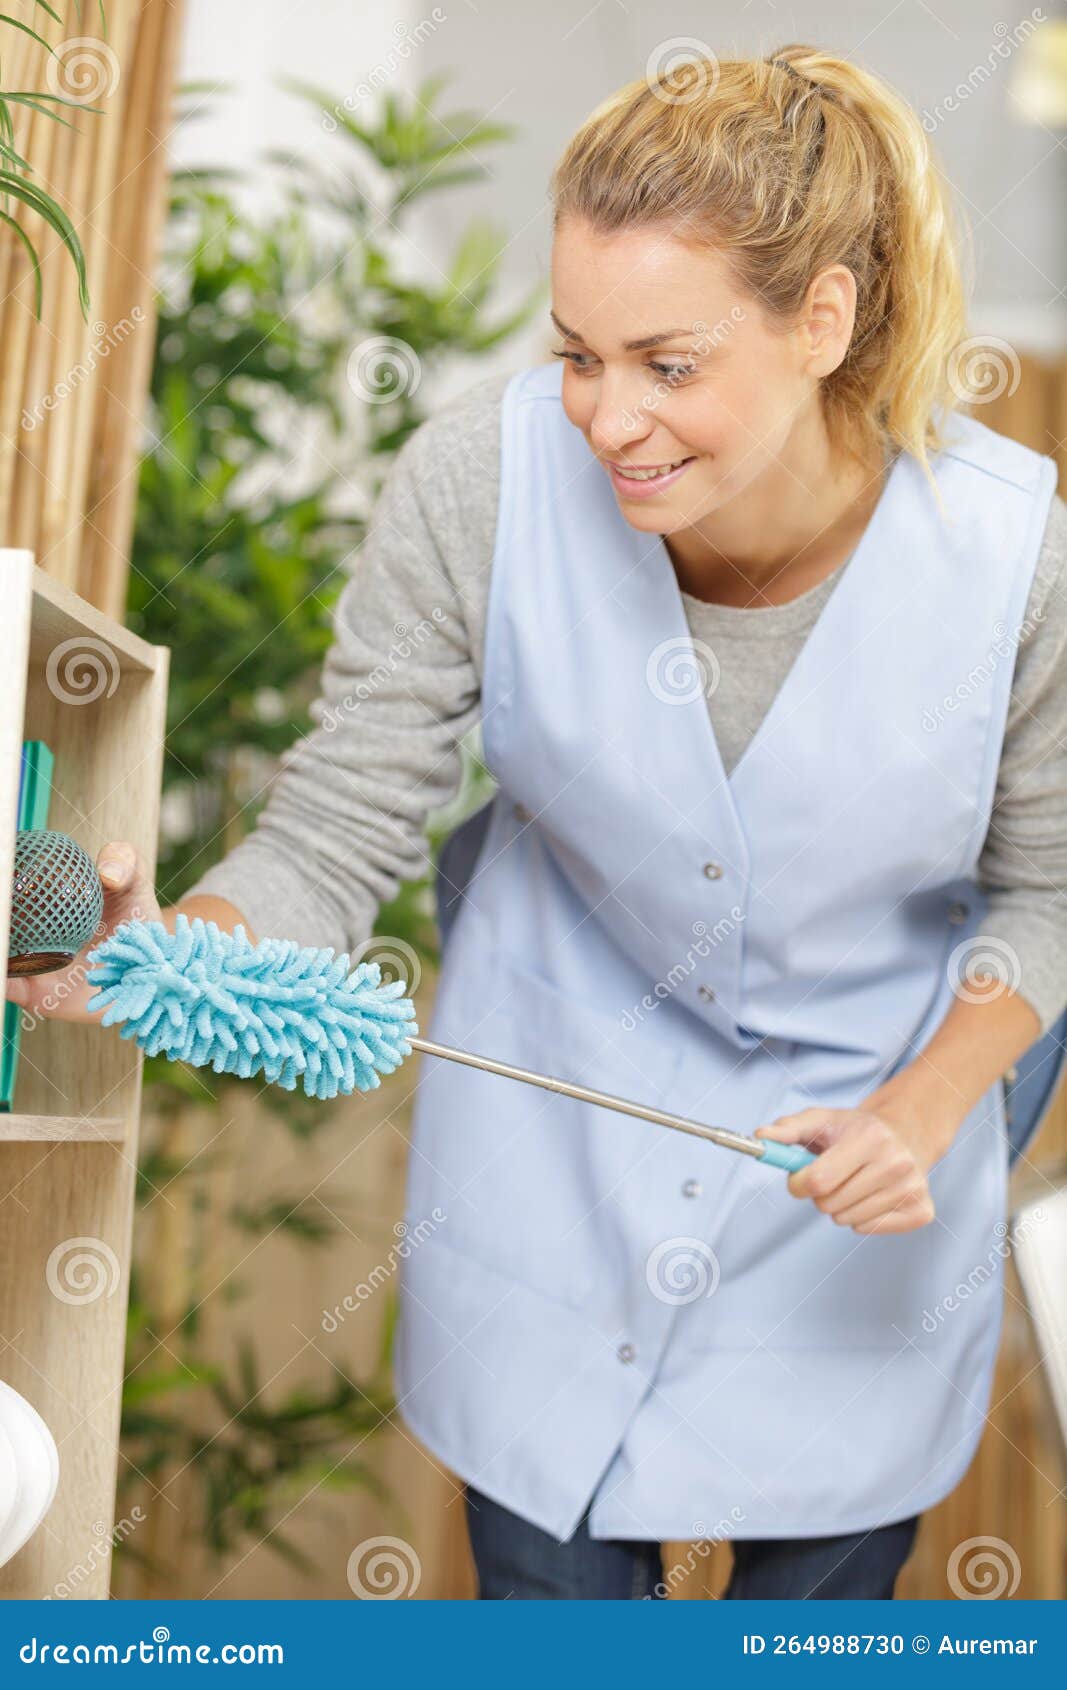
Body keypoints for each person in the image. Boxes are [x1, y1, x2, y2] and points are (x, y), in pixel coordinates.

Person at [10, 44, 1067, 1600]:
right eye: (578, 353)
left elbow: (1050, 890)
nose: (609, 419)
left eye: (669, 364)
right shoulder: (482, 481)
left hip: (862, 1154)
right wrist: (175, 957)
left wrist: (927, 1105)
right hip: (556, 1142)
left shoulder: (1013, 558)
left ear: (824, 321)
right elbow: (342, 820)